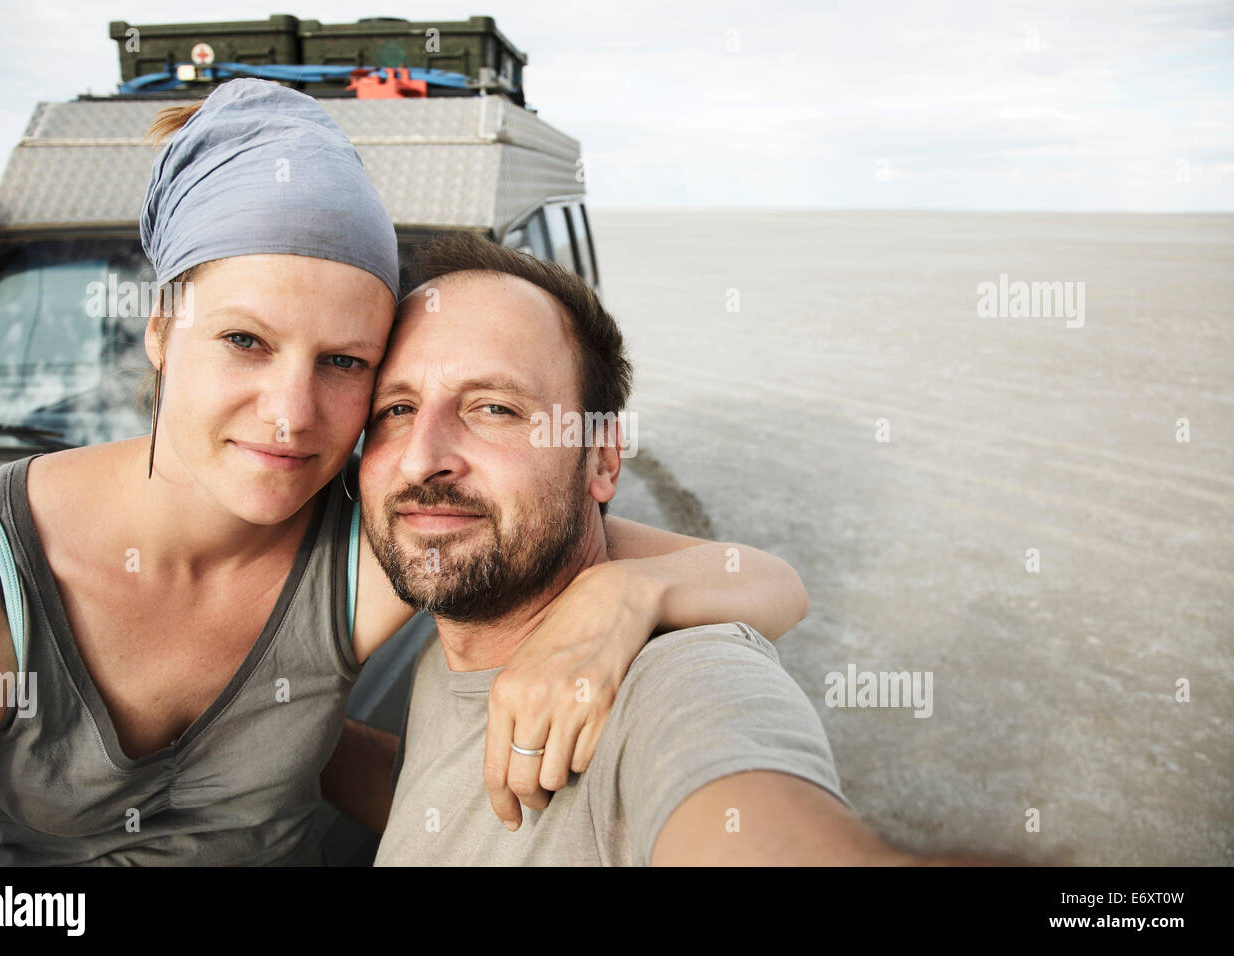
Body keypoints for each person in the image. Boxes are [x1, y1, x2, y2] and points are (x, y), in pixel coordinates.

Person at [0, 79, 810, 864]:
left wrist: (622, 598)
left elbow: (768, 584)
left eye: (345, 362)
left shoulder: (370, 542)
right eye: (246, 341)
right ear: (161, 331)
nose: (292, 414)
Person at [364, 232, 976, 865]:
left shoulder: (671, 684)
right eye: (396, 408)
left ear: (600, 459)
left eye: (494, 408)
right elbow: (442, 814)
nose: (420, 457)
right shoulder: (450, 646)